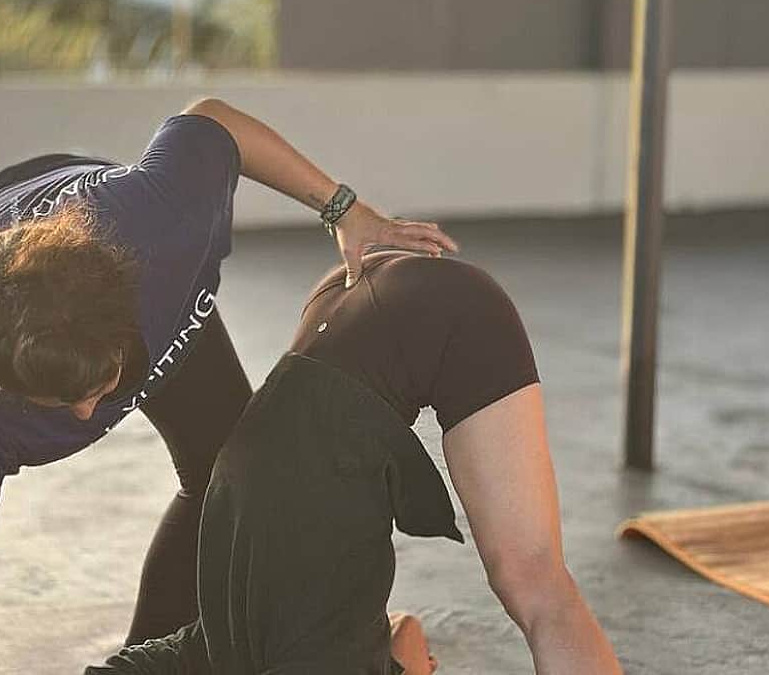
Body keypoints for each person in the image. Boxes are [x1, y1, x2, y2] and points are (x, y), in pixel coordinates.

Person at [0, 97, 457, 673]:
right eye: (62, 402)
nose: (88, 415)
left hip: (93, 250)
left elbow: (217, 120)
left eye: (98, 387)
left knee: (232, 479)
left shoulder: (162, 223)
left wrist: (344, 209)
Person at [85, 251, 624, 675]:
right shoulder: (229, 637)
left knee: (536, 585)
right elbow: (405, 633)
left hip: (447, 314)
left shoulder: (304, 645)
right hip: (344, 297)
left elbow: (403, 641)